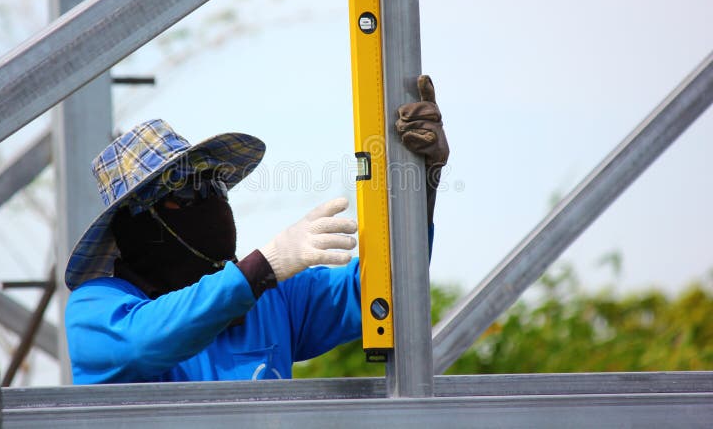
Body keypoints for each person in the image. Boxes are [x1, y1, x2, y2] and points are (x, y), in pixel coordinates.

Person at [64, 75, 449, 383]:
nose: (209, 202)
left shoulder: (274, 300)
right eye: (185, 192)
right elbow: (141, 344)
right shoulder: (95, 310)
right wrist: (263, 267)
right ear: (137, 225)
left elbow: (380, 294)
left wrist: (419, 183)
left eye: (213, 185)